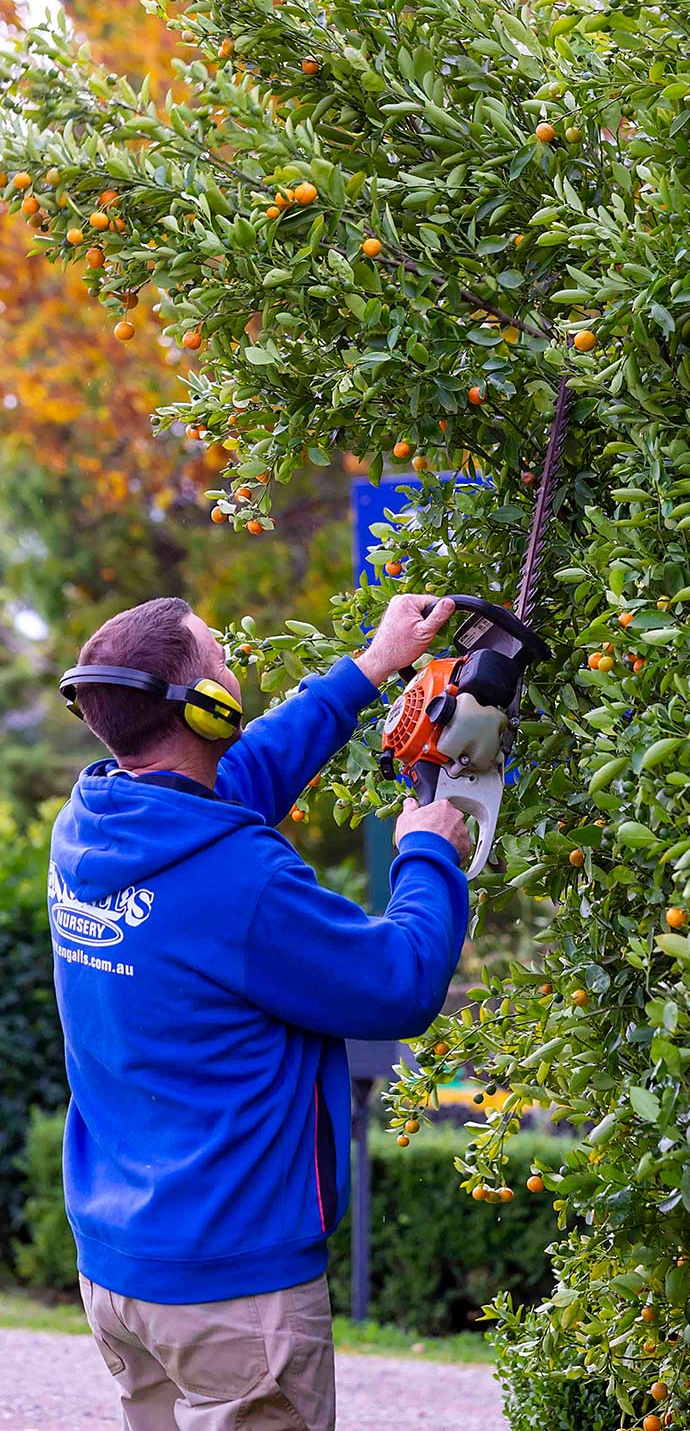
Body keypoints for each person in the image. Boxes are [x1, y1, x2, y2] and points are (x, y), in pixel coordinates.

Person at [48, 593, 471, 1430]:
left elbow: (239, 778)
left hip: (123, 1272)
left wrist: (370, 667)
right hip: (232, 1291)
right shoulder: (241, 879)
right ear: (209, 707)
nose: (233, 665)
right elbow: (401, 983)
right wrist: (428, 851)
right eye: (219, 656)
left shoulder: (94, 823)